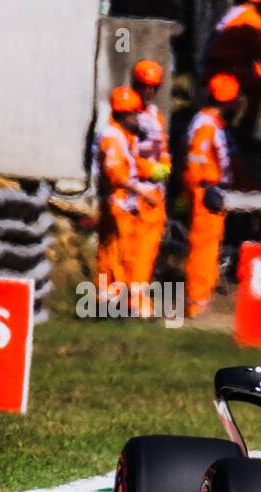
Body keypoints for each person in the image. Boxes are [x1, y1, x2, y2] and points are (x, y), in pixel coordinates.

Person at [96, 87, 161, 312]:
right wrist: (143, 193)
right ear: (124, 115)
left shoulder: (123, 136)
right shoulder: (113, 138)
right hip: (117, 203)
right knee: (114, 256)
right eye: (134, 114)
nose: (137, 119)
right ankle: (108, 304)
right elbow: (116, 175)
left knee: (119, 256)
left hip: (123, 203)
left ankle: (112, 303)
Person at [184, 73, 241, 318]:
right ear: (228, 102)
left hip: (213, 192)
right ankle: (197, 301)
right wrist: (205, 187)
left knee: (210, 247)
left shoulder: (214, 124)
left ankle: (202, 297)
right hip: (205, 193)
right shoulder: (206, 125)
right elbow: (196, 159)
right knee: (203, 248)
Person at [130, 59, 171, 291]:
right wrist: (147, 169)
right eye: (145, 85)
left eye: (154, 86)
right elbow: (124, 150)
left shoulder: (156, 115)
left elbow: (161, 146)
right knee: (134, 247)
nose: (149, 91)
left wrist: (164, 165)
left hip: (156, 189)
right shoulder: (128, 112)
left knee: (149, 246)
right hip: (136, 188)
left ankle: (139, 292)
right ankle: (131, 297)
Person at [201, 0, 261, 118]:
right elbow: (260, 51)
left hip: (213, 70)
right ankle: (251, 127)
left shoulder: (236, 11)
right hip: (227, 74)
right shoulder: (251, 18)